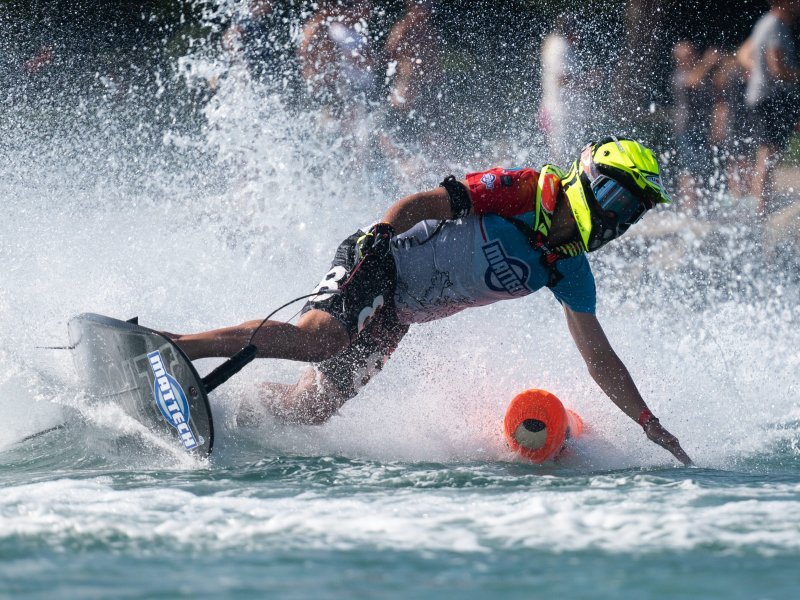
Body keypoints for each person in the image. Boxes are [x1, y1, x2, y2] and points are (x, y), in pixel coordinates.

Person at [168, 136, 694, 466]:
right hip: (381, 258)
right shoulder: (524, 190)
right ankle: (176, 346)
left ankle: (234, 412)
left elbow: (599, 359)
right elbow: (424, 202)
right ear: (587, 180)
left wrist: (648, 422)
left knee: (312, 407)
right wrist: (381, 233)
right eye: (616, 199)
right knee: (319, 339)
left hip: (397, 314)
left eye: (632, 212)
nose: (619, 218)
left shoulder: (568, 268)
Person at [737, 0, 800, 216]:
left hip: (766, 95)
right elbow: (777, 68)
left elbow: (743, 54)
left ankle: (761, 205)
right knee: (768, 153)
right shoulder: (774, 24)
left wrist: (755, 71)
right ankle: (761, 208)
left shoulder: (768, 23)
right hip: (769, 97)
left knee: (768, 152)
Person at [670, 41, 720, 213]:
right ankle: (689, 207)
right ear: (679, 60)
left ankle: (699, 205)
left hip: (701, 127)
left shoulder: (700, 72)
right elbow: (693, 81)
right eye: (688, 55)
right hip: (685, 128)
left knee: (701, 167)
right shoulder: (679, 76)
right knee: (689, 168)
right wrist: (708, 62)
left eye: (693, 53)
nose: (693, 57)